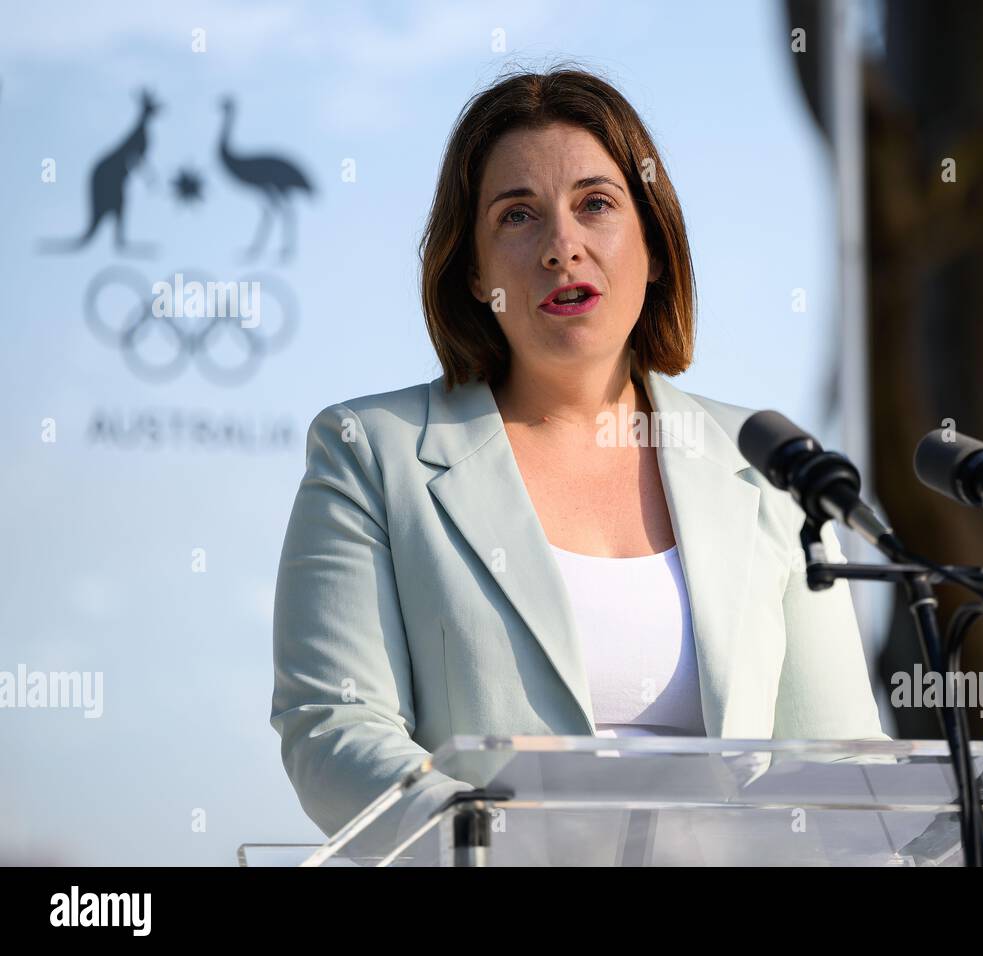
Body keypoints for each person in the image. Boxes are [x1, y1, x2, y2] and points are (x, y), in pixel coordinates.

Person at [270, 66, 887, 852]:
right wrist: (489, 844)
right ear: (475, 271)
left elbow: (839, 771)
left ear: (655, 247)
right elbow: (332, 728)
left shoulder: (768, 470)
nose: (563, 246)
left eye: (596, 204)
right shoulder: (370, 453)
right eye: (517, 216)